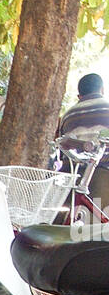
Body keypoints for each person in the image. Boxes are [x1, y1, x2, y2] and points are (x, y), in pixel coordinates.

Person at [58, 73, 109, 206]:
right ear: (102, 89)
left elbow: (62, 149)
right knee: (97, 223)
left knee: (72, 222)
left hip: (71, 175)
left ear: (79, 95)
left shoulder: (67, 115)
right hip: (102, 174)